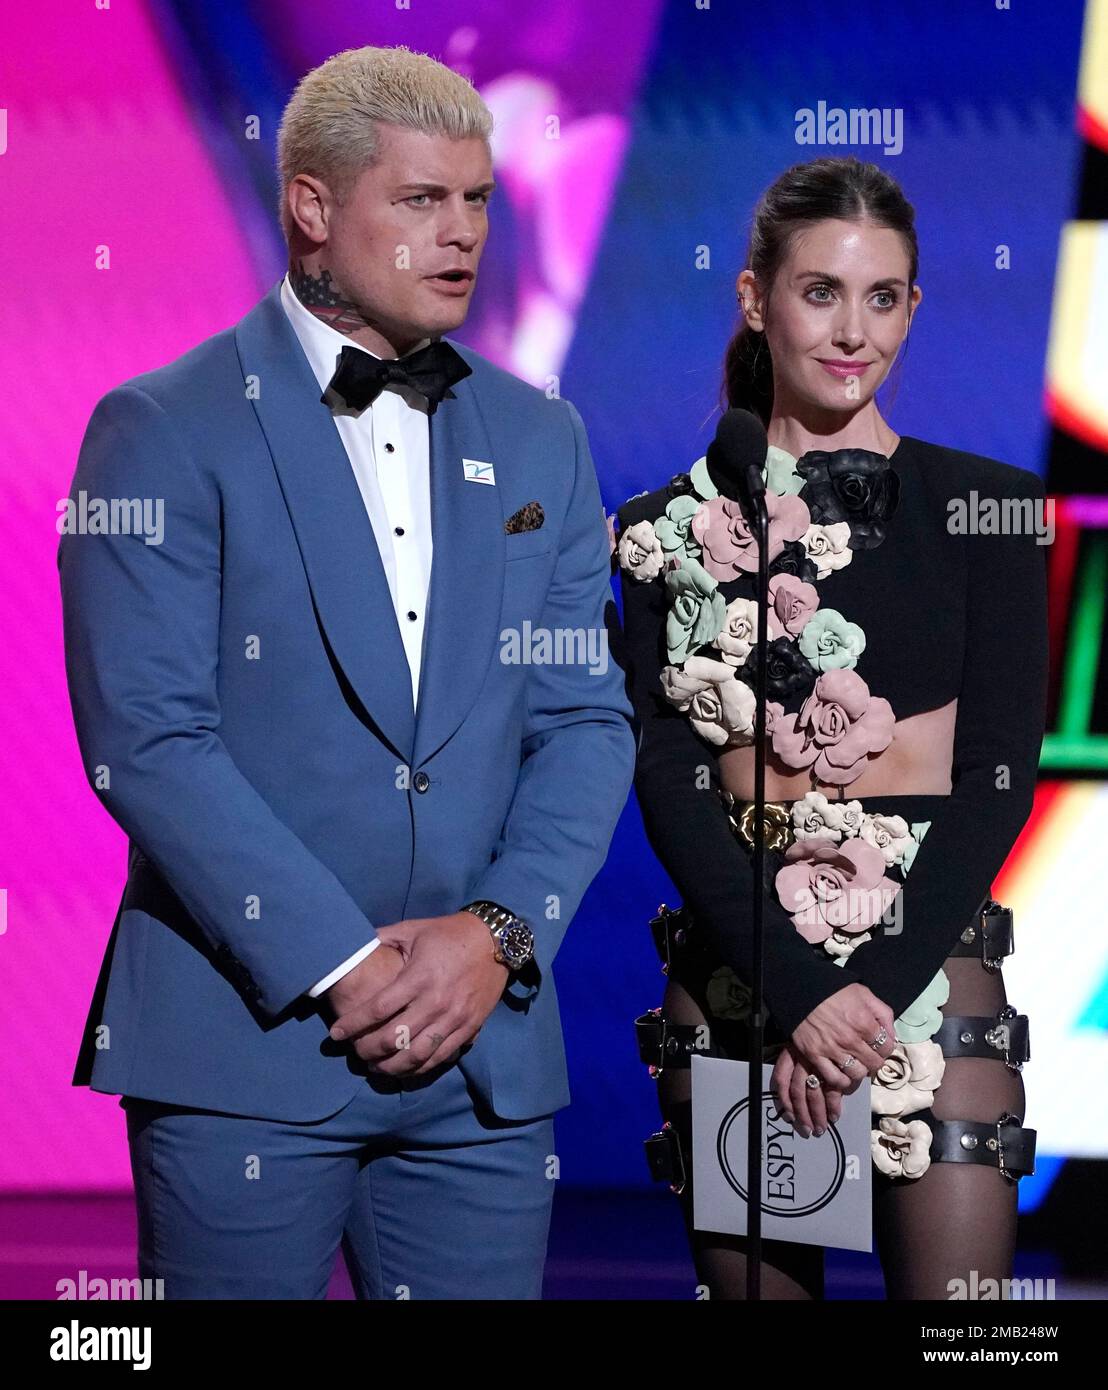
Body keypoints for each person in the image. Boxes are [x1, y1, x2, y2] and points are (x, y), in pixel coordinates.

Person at [58, 44, 636, 1300]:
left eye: (477, 200)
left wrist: (496, 934)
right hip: (245, 1052)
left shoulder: (542, 434)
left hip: (484, 1060)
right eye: (422, 200)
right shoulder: (160, 426)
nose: (464, 234)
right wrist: (348, 963)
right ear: (313, 209)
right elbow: (148, 741)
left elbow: (584, 720)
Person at [614, 156, 1049, 1300]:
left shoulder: (990, 508)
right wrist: (797, 988)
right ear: (755, 297)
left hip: (932, 965)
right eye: (820, 292)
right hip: (741, 965)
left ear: (913, 304)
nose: (853, 331)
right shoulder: (665, 527)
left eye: (884, 296)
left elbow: (997, 775)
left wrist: (862, 996)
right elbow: (669, 775)